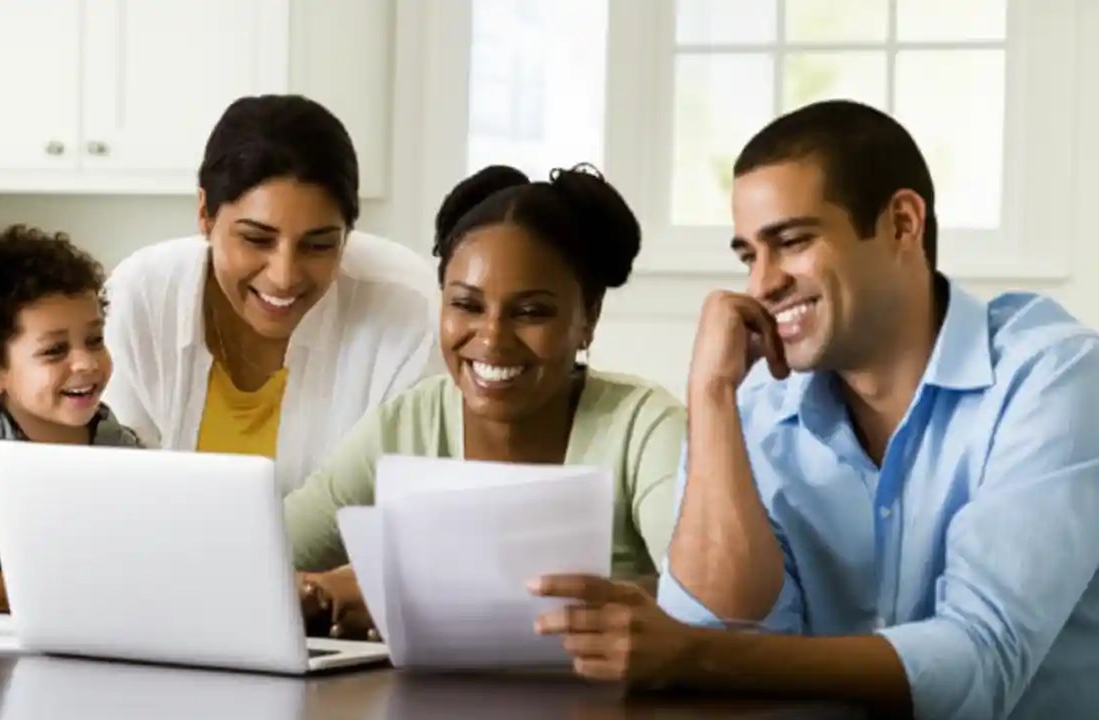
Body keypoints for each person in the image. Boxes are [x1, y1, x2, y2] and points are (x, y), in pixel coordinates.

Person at [529, 99, 1099, 719]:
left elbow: (982, 659)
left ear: (903, 224)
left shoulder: (1054, 376)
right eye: (749, 256)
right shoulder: (752, 403)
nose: (762, 284)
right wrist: (710, 396)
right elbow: (724, 632)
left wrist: (695, 654)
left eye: (793, 242)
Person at [286, 164, 687, 638]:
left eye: (531, 312)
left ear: (588, 318)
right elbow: (264, 558)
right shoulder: (408, 422)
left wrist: (407, 591)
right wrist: (316, 592)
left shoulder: (645, 429)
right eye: (467, 305)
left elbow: (703, 600)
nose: (492, 339)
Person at [102, 95, 439, 493]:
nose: (283, 277)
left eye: (318, 245)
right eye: (256, 239)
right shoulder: (140, 297)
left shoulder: (407, 309)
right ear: (205, 215)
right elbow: (120, 487)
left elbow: (405, 510)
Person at [0, 226, 142, 608]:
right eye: (54, 350)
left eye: (94, 339)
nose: (86, 363)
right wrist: (70, 591)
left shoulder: (124, 449)